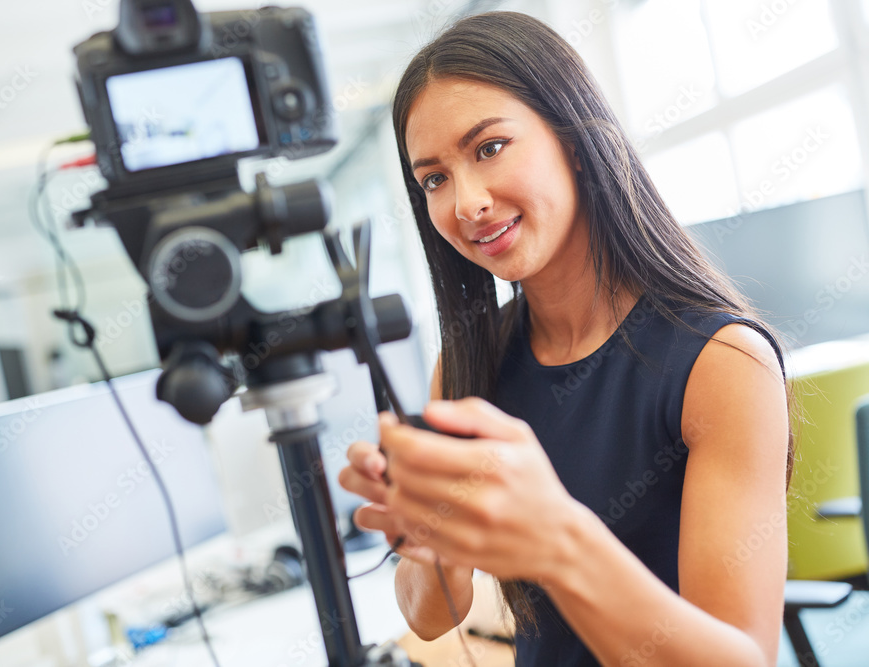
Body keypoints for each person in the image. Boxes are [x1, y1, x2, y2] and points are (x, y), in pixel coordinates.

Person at [338, 11, 792, 667]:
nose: (466, 202)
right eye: (434, 178)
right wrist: (427, 540)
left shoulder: (721, 363)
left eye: (489, 147)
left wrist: (556, 535)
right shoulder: (470, 366)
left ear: (574, 141)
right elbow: (431, 614)